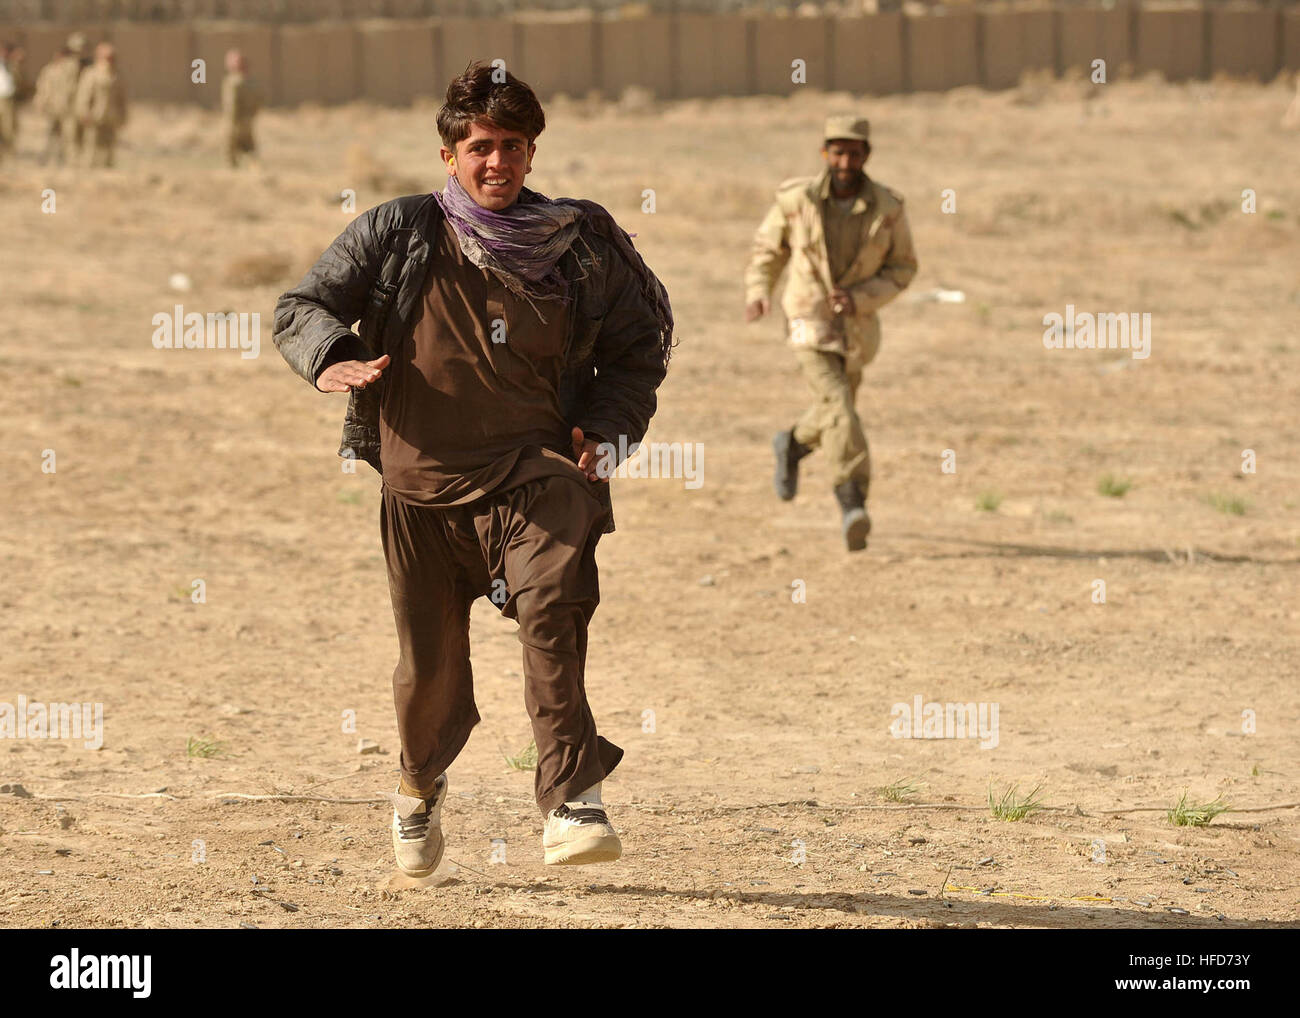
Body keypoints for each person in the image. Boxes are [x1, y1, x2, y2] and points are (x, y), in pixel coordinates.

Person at [273, 61, 672, 875]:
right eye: (482, 146)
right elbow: (300, 307)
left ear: (533, 151)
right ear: (450, 153)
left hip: (536, 471)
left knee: (555, 611)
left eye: (515, 147)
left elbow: (638, 351)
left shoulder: (578, 242)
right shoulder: (399, 231)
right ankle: (418, 786)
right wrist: (332, 356)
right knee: (429, 673)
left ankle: (572, 800)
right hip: (419, 489)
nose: (499, 164)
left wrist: (608, 424)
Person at [744, 115, 917, 551]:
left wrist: (861, 297)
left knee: (836, 413)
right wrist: (758, 290)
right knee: (840, 406)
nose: (845, 161)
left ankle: (793, 444)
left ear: (866, 156)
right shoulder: (797, 199)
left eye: (854, 153)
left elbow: (903, 268)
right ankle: (852, 501)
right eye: (837, 151)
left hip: (857, 328)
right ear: (825, 153)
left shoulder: (888, 208)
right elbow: (769, 248)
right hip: (808, 319)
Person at [74, 42, 127, 168]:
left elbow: (122, 99)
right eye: (107, 57)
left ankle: (106, 172)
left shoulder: (117, 76)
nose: (110, 60)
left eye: (112, 57)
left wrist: (123, 116)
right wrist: (84, 113)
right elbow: (83, 96)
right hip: (95, 117)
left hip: (111, 117)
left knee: (109, 150)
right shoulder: (91, 74)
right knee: (92, 149)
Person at [220, 48, 261, 168]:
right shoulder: (252, 82)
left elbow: (231, 104)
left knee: (230, 149)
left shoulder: (233, 82)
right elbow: (259, 101)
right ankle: (255, 170)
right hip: (247, 120)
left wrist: (233, 122)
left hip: (235, 122)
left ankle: (233, 172)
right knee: (250, 148)